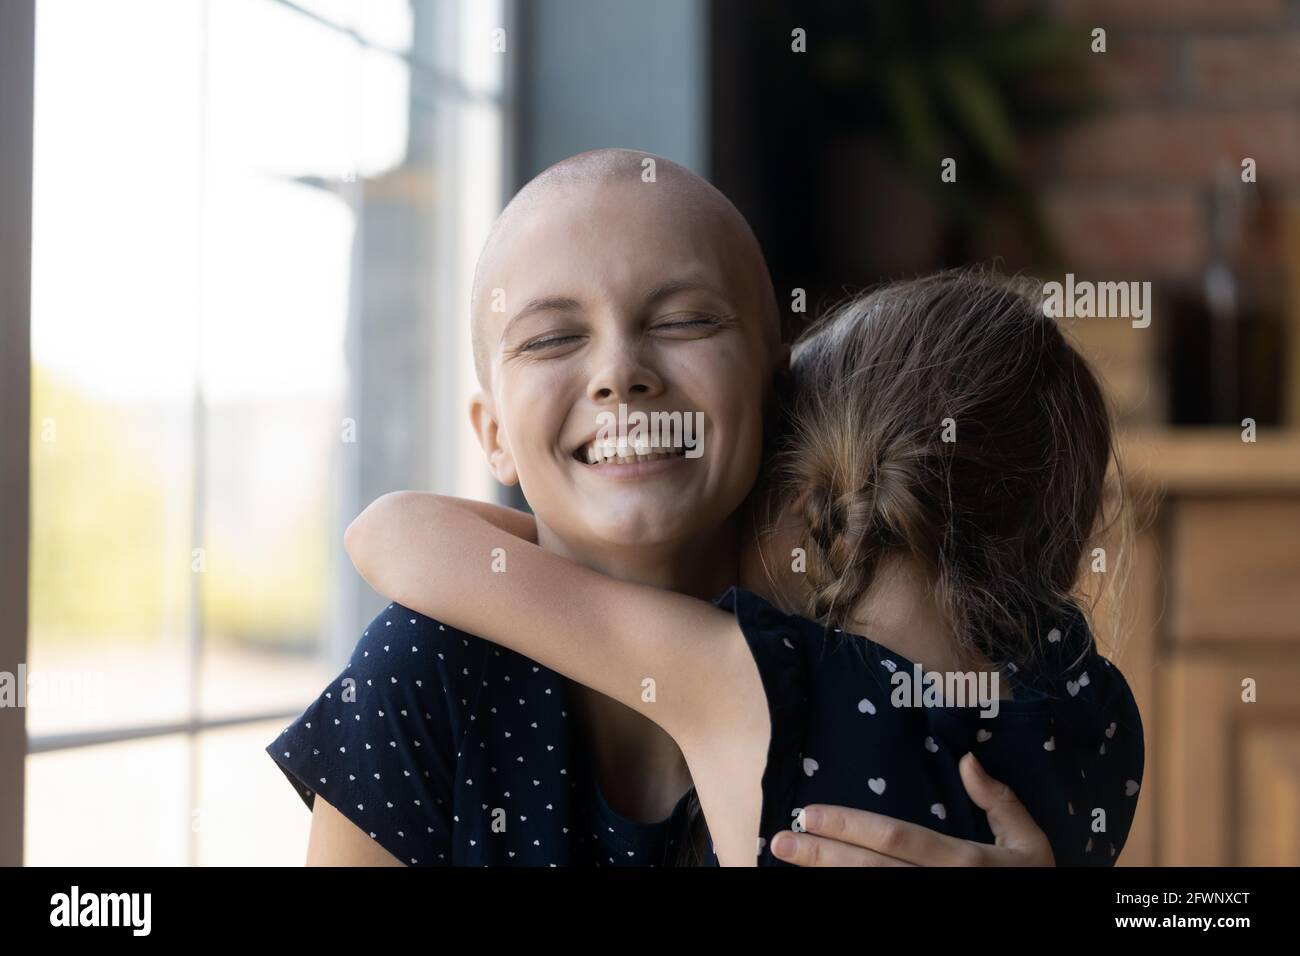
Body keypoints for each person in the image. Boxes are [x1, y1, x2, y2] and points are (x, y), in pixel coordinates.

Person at [267, 150, 1060, 866]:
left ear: (775, 388)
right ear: (494, 435)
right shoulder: (423, 668)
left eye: (683, 321)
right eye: (549, 339)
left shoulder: (892, 659)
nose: (619, 372)